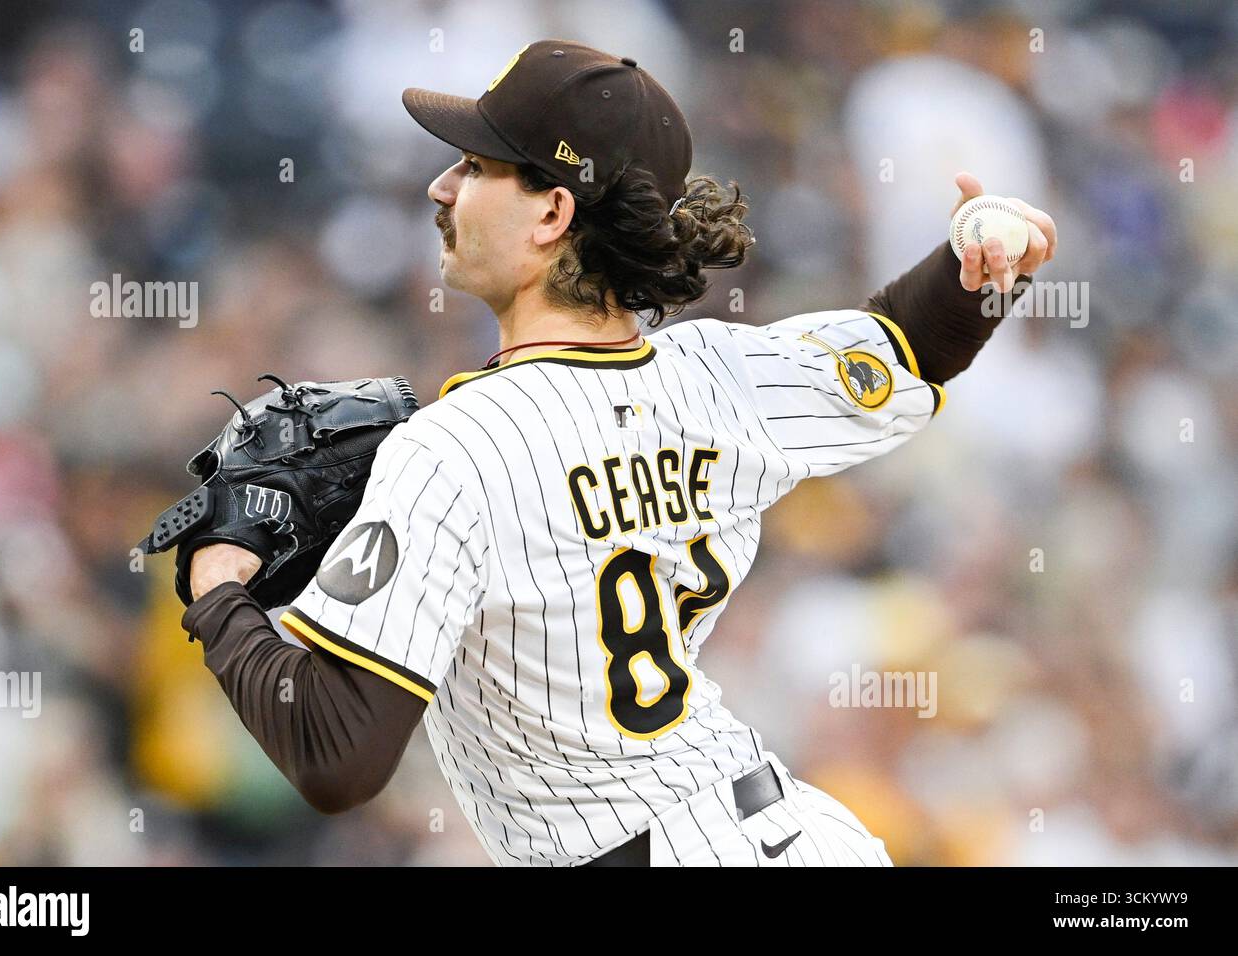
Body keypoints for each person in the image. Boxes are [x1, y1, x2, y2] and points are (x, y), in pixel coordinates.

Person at [182, 39, 1056, 866]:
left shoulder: (455, 447)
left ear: (553, 212)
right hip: (798, 833)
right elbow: (909, 343)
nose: (443, 187)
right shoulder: (718, 374)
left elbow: (337, 758)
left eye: (477, 166)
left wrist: (217, 588)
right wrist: (979, 265)